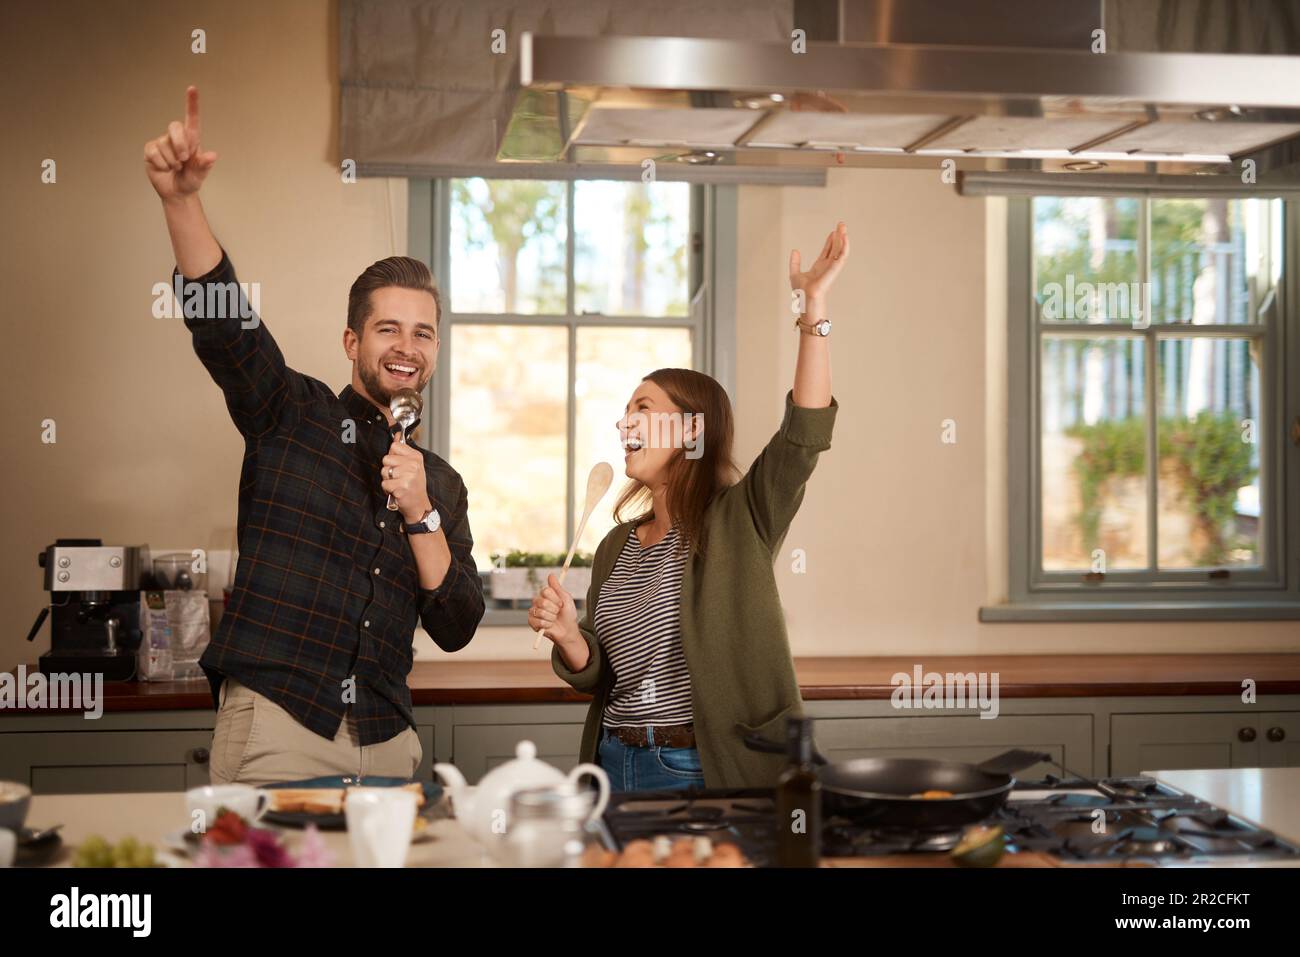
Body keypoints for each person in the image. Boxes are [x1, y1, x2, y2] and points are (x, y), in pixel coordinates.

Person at [143, 87, 484, 786]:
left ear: (437, 351)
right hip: (279, 727)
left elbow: (456, 621)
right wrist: (181, 202)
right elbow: (225, 327)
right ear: (352, 340)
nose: (406, 346)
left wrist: (422, 513)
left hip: (389, 743)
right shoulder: (288, 412)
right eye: (388, 328)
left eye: (422, 333)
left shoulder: (441, 484)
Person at [529, 222, 848, 790]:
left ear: (691, 429)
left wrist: (813, 310)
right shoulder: (613, 546)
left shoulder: (741, 518)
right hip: (610, 764)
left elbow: (804, 432)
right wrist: (570, 639)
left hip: (697, 770)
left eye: (643, 407)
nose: (624, 421)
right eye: (624, 409)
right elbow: (603, 674)